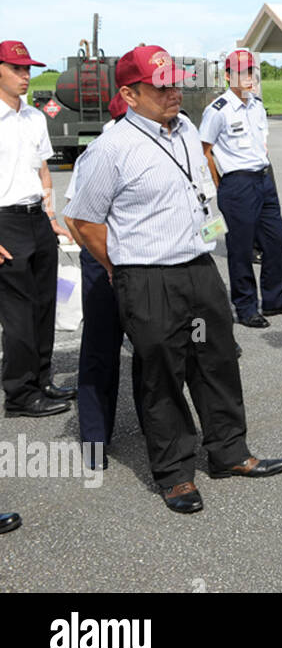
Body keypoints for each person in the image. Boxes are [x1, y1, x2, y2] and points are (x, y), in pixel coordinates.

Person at [63, 45, 282, 514]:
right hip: (148, 278)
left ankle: (229, 452)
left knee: (217, 362)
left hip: (199, 268)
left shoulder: (185, 128)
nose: (173, 93)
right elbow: (83, 221)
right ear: (129, 93)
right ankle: (175, 474)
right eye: (160, 86)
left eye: (176, 83)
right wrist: (119, 265)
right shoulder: (112, 148)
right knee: (162, 375)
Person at [62, 96, 142, 470]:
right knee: (100, 350)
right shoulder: (102, 150)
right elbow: (75, 219)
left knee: (150, 349)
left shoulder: (155, 142)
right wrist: (105, 262)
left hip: (145, 262)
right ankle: (95, 442)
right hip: (104, 261)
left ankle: (156, 428)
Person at [199, 50, 282, 327]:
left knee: (276, 242)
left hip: (263, 177)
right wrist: (220, 182)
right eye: (240, 72)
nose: (247, 77)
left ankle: (274, 299)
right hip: (237, 183)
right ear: (227, 76)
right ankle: (246, 306)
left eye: (250, 71)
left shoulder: (256, 105)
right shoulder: (218, 110)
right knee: (241, 248)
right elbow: (205, 151)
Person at [0, 39, 74, 420]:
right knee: (18, 313)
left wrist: (50, 215)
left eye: (28, 69)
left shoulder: (33, 117)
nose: (25, 75)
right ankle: (19, 394)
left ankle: (42, 380)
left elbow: (43, 169)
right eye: (17, 69)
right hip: (5, 221)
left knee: (46, 304)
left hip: (35, 218)